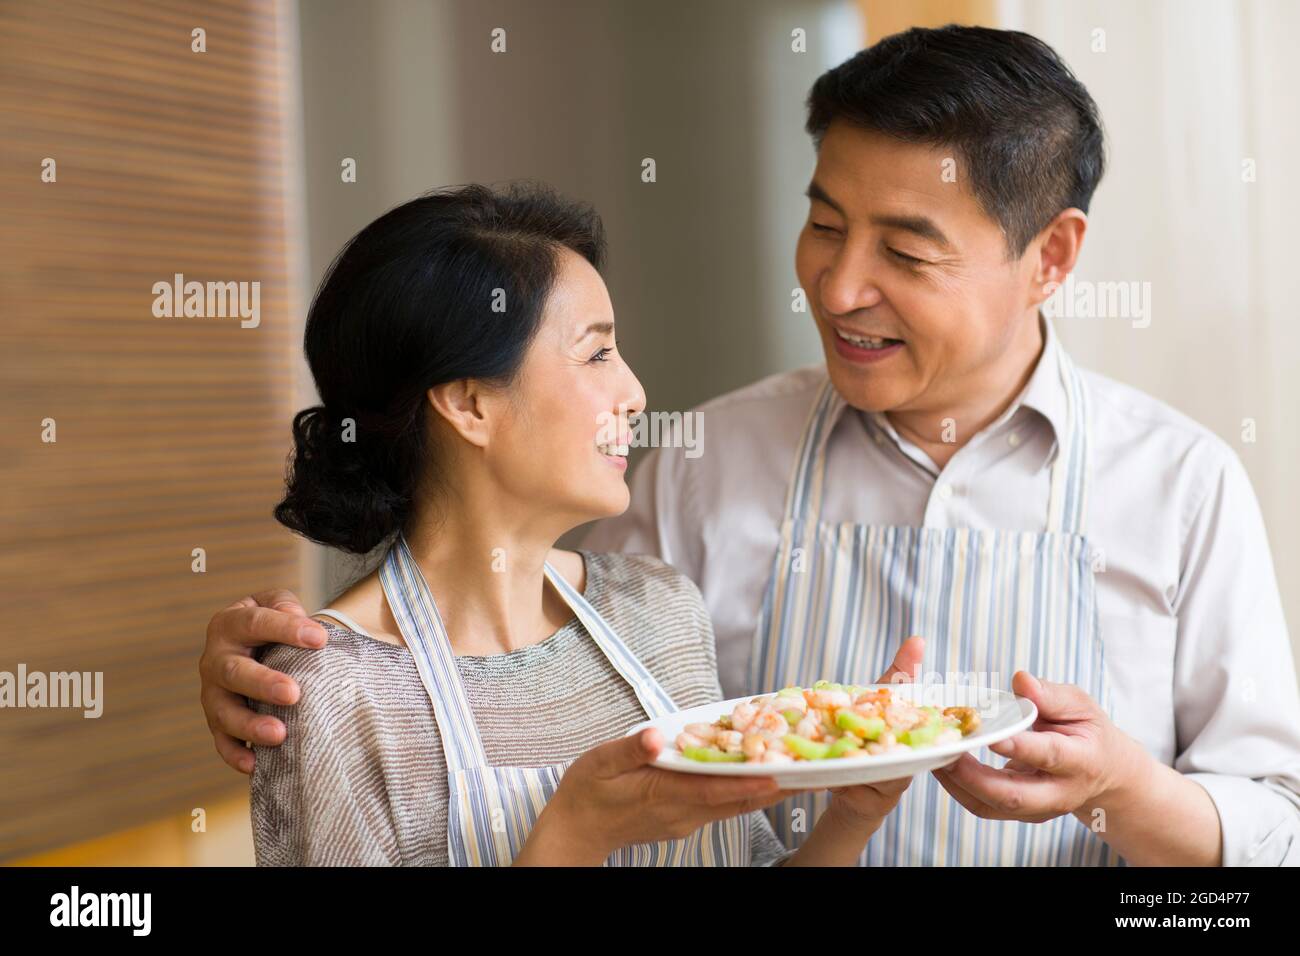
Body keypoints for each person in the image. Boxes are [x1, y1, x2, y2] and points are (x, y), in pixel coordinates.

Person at [204, 27, 1300, 866]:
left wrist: (1122, 787)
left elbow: (1277, 825)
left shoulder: (1181, 483)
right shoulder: (697, 464)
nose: (836, 283)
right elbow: (467, 586)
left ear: (1051, 256)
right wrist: (287, 662)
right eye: (824, 223)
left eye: (905, 250)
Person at [246, 182, 914, 866]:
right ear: (470, 402)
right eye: (596, 354)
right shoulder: (335, 694)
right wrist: (571, 838)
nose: (635, 394)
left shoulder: (658, 611)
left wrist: (853, 818)